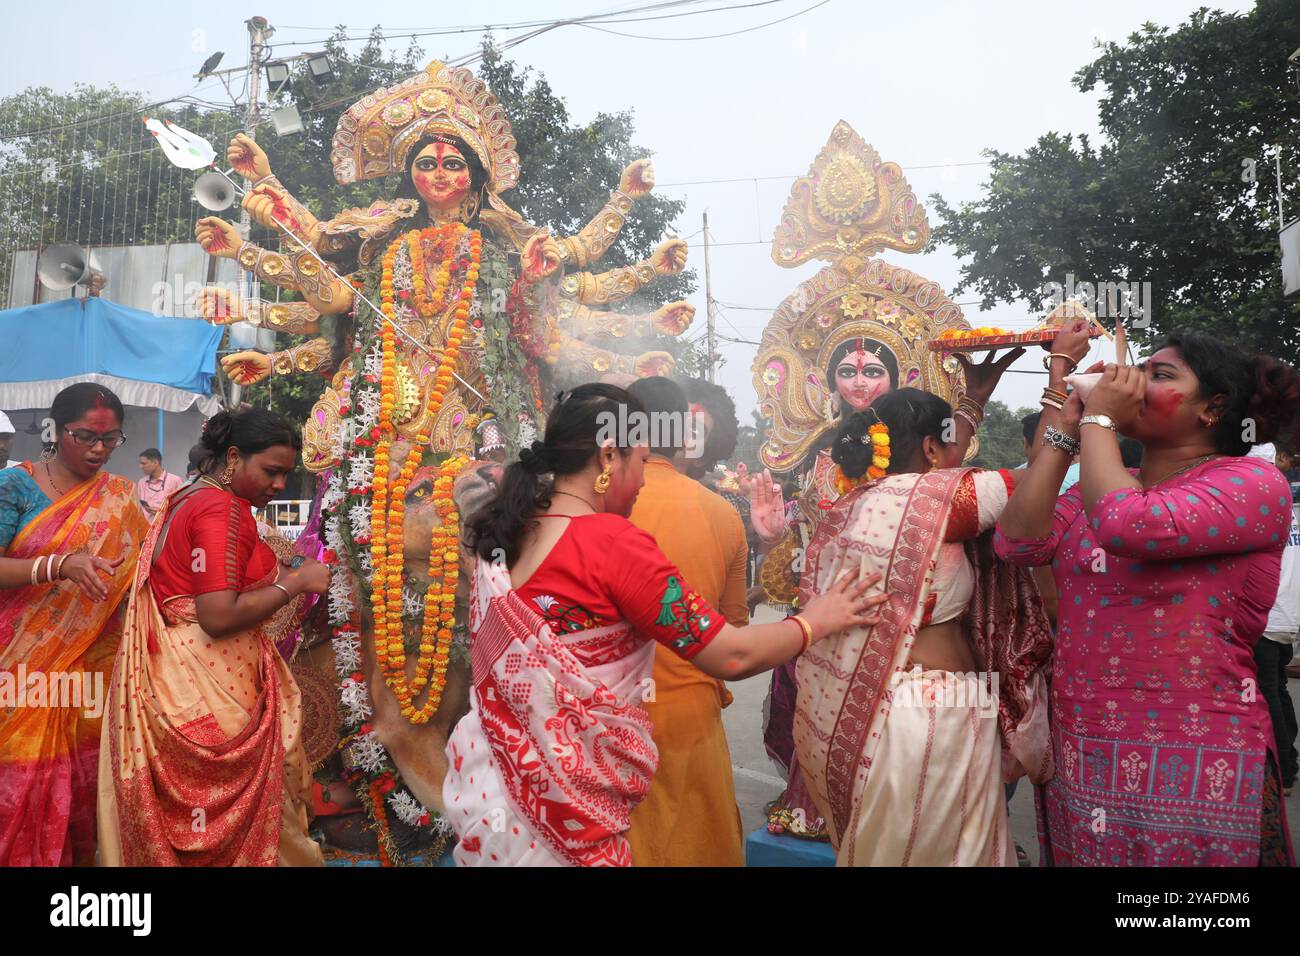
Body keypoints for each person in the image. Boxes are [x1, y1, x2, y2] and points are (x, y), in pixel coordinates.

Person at [439, 384, 885, 866]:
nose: (644, 480)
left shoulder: (511, 534)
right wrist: (814, 622)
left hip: (492, 802)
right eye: (640, 460)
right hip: (568, 823)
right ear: (609, 458)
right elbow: (730, 653)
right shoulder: (613, 543)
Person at [997, 330, 1299, 866]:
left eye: (1160, 376)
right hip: (1085, 749)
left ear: (1213, 408)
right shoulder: (1103, 486)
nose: (1132, 384)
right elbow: (1018, 541)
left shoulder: (1251, 481)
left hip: (1200, 754)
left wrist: (1099, 420)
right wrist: (1066, 430)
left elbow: (1126, 525)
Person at [794, 386, 1054, 866]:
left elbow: (943, 472)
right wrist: (1060, 392)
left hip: (871, 715)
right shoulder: (942, 501)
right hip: (936, 714)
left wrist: (973, 402)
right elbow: (1042, 478)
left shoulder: (849, 510)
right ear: (933, 448)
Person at [98, 408, 329, 866]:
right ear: (234, 455)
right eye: (271, 471)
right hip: (207, 680)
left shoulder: (189, 496)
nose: (279, 485)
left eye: (286, 474)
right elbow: (218, 615)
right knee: (246, 813)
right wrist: (297, 584)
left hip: (182, 674)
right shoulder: (218, 508)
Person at [0, 383, 149, 865]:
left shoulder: (122, 499)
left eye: (111, 439)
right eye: (85, 436)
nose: (100, 449)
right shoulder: (16, 487)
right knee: (16, 784)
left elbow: (143, 578)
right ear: (56, 430)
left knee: (82, 789)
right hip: (18, 671)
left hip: (91, 674)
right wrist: (57, 565)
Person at [623, 377, 749, 866]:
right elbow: (732, 631)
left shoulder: (597, 506)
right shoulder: (722, 513)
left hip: (609, 718)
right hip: (693, 718)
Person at [1252, 442, 1298, 795]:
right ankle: (1290, 757)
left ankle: (1283, 767)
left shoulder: (1261, 510)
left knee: (1268, 689)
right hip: (1287, 616)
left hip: (1268, 616)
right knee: (1277, 686)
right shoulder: (1291, 510)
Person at [137, 447, 182, 519]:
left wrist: (162, 513)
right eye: (140, 464)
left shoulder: (175, 480)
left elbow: (181, 507)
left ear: (155, 462)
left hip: (165, 527)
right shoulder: (141, 482)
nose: (140, 467)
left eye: (144, 463)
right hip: (145, 528)